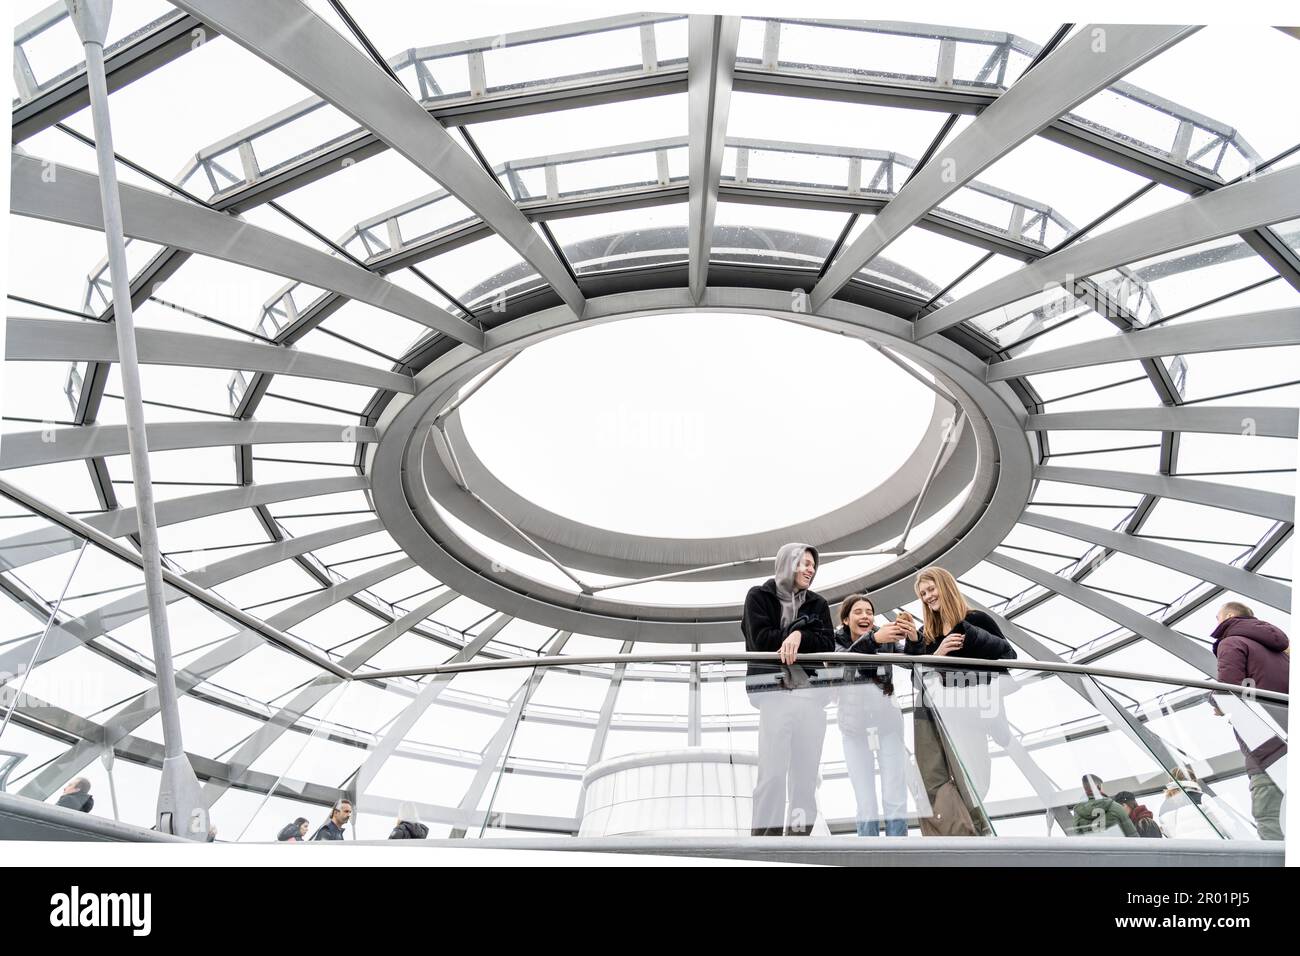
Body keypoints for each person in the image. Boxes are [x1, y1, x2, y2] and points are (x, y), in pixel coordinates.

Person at [903, 566, 1016, 837]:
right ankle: (963, 831)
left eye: (931, 589)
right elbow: (918, 680)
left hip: (969, 712)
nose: (928, 597)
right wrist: (932, 652)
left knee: (974, 777)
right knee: (936, 776)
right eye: (923, 593)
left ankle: (978, 830)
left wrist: (968, 634)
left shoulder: (975, 619)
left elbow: (1008, 655)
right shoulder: (926, 632)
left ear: (946, 586)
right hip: (936, 715)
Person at [741, 543, 836, 836]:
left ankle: (797, 845)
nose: (811, 569)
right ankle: (764, 848)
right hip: (775, 696)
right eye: (804, 563)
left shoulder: (817, 603)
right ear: (787, 563)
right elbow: (761, 641)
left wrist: (798, 634)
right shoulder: (759, 596)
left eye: (813, 565)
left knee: (805, 780)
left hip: (810, 699)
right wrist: (803, 628)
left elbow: (827, 644)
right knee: (772, 775)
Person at [1211, 601, 1288, 841]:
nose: (1217, 624)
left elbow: (1229, 687)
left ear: (1230, 615)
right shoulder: (1282, 652)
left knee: (1270, 819)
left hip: (1264, 743)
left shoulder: (1231, 641)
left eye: (1218, 617)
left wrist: (1216, 704)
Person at [834, 593, 908, 836]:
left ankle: (900, 858)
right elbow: (843, 667)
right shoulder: (835, 641)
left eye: (869, 611)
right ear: (845, 620)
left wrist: (915, 639)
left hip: (888, 725)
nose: (865, 616)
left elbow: (908, 659)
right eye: (858, 612)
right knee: (866, 804)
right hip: (853, 729)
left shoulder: (883, 636)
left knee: (895, 798)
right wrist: (874, 640)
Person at [1158, 767, 1238, 839]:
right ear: (1192, 781)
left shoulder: (1164, 808)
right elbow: (1227, 825)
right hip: (1210, 846)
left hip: (1186, 851)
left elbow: (1170, 834)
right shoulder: (1202, 797)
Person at [1071, 774, 1137, 837]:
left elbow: (1079, 837)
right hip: (1118, 847)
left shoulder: (1077, 813)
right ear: (1099, 787)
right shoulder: (1115, 806)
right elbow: (1132, 835)